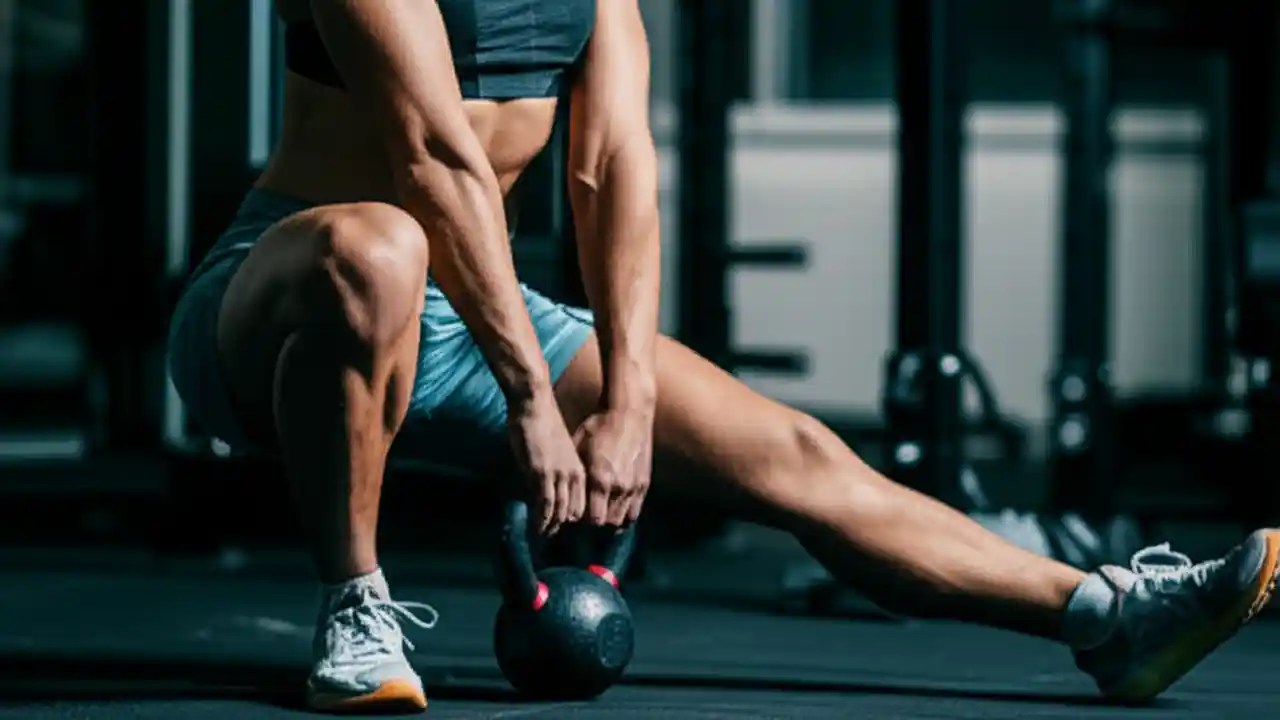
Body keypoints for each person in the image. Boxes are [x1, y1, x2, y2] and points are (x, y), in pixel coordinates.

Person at [166, 0, 1278, 714]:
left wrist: (629, 399)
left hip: (472, 312)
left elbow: (613, 168)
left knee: (795, 454)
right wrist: (533, 403)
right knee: (379, 246)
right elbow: (433, 154)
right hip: (281, 301)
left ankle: (1104, 618)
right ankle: (354, 609)